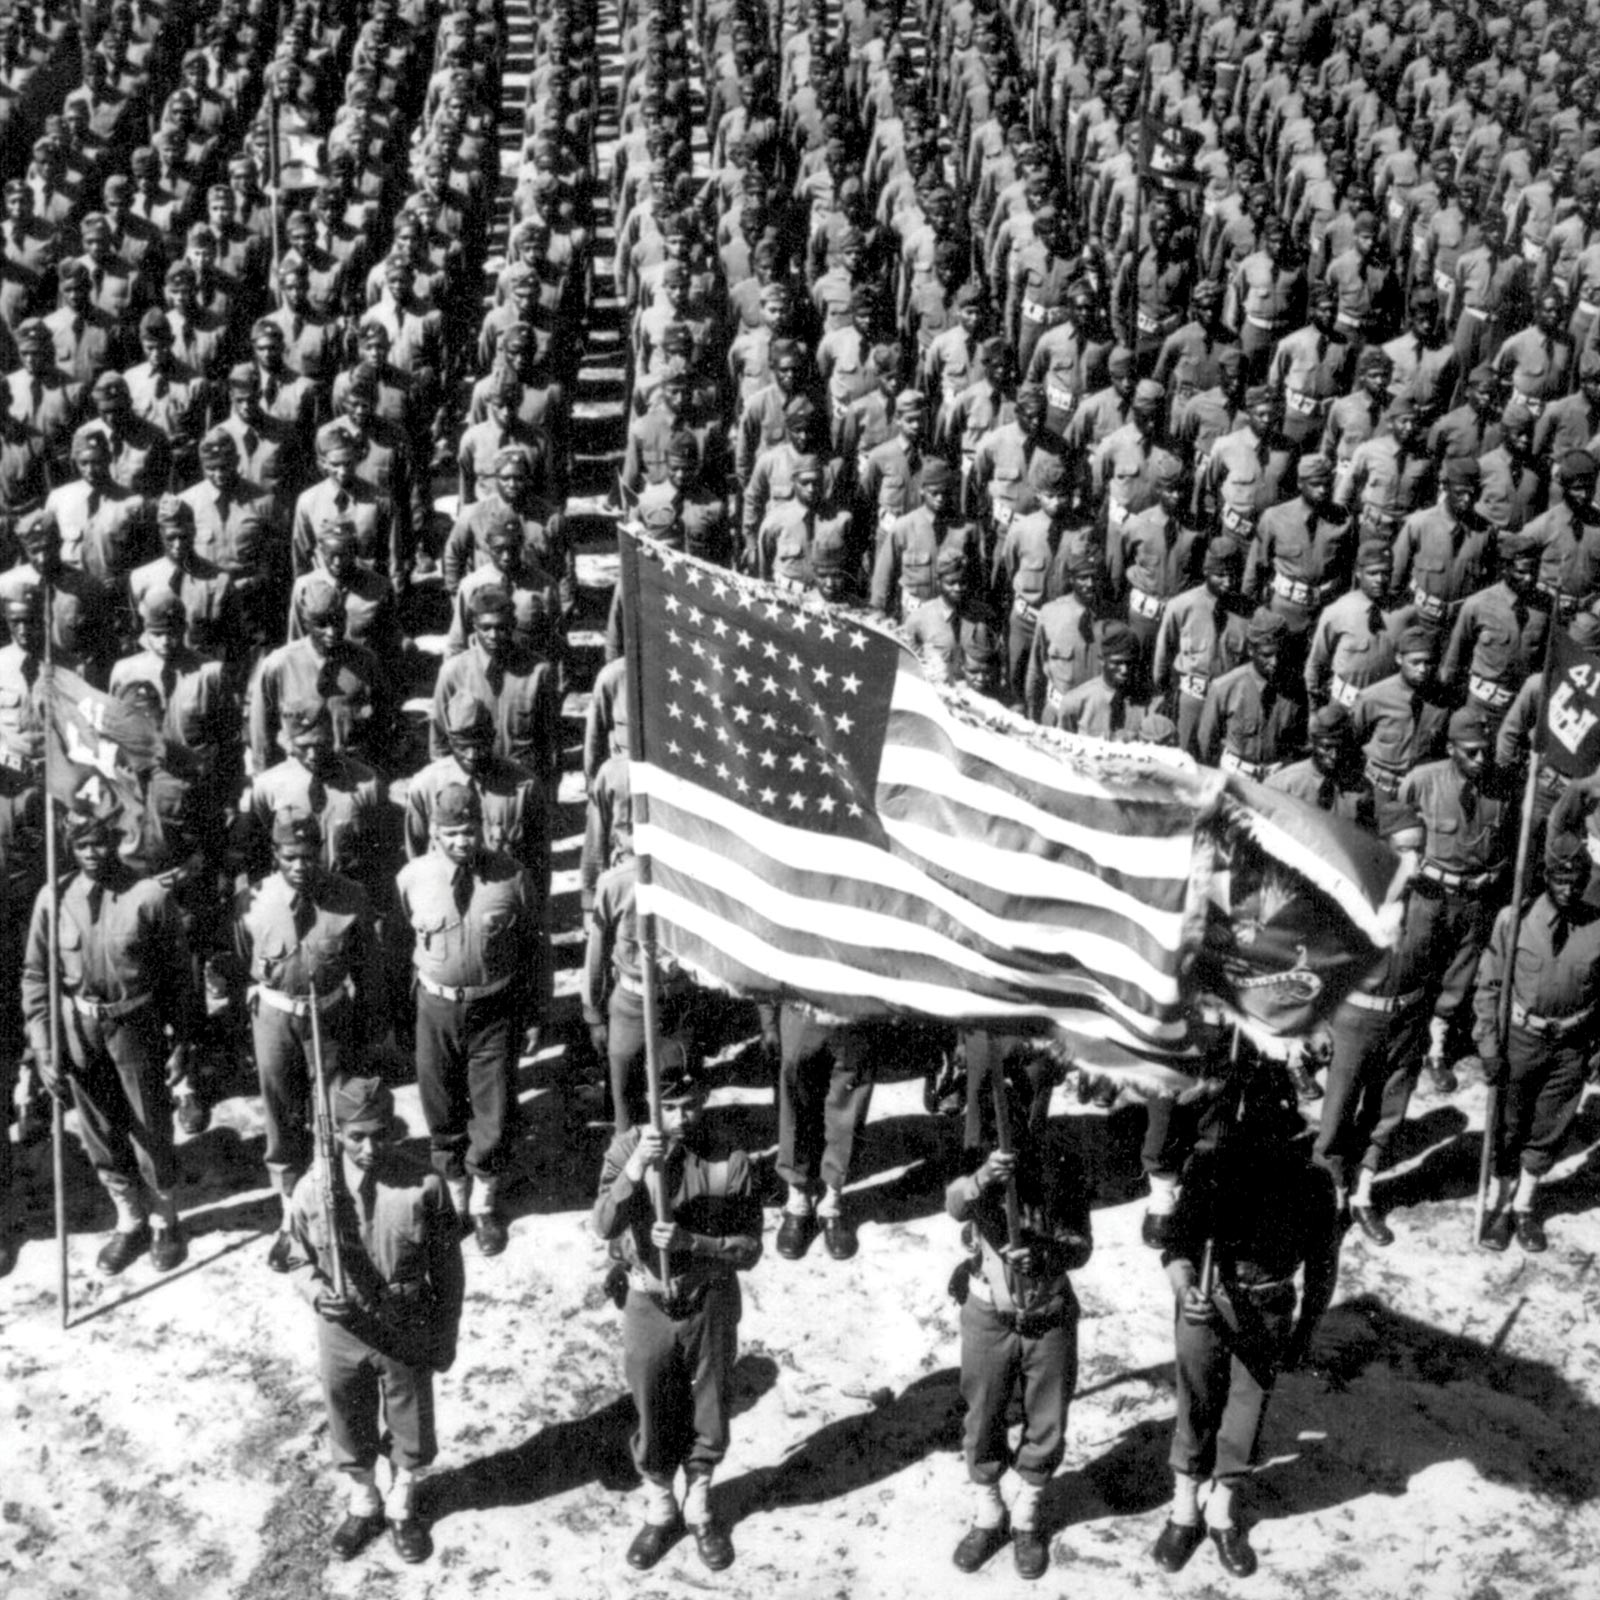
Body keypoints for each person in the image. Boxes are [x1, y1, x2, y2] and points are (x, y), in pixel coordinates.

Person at [1151, 1076, 1342, 1579]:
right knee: (1195, 1404)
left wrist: (1306, 1331)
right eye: (1255, 1130)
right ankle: (1184, 1509)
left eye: (1279, 1133)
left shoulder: (1314, 1184)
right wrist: (1184, 1288)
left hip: (1270, 1307)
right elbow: (1174, 1249)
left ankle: (1222, 1513)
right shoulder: (1211, 1171)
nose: (1268, 1145)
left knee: (1246, 1407)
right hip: (1208, 1306)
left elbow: (1324, 1265)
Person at [282, 1075, 465, 1565]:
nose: (369, 1146)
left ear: (396, 1129)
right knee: (347, 1415)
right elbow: (297, 1260)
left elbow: (448, 1271)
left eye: (381, 1133)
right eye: (355, 1135)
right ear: (335, 1133)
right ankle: (364, 1501)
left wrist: (445, 1336)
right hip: (342, 1327)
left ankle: (403, 1504)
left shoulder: (424, 1186)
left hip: (405, 1322)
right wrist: (320, 1298)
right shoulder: (312, 1189)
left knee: (412, 1419)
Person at [591, 1050, 762, 1573]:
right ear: (650, 1104)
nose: (682, 1116)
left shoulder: (728, 1159)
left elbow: (751, 1249)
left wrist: (697, 1242)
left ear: (704, 1099)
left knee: (711, 1402)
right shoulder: (625, 1150)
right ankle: (661, 1506)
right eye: (669, 1106)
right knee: (651, 1400)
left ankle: (701, 1506)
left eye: (690, 1104)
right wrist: (638, 1166)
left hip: (708, 1295)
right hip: (648, 1298)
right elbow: (602, 1223)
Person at [21, 792, 194, 1274]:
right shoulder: (53, 899)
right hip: (78, 1031)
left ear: (115, 841)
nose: (93, 853)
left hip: (135, 1027)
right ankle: (131, 1219)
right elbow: (36, 977)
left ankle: (165, 1221)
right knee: (98, 1131)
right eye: (82, 845)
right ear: (69, 847)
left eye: (100, 843)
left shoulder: (149, 897)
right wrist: (42, 1046)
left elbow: (180, 976)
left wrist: (182, 1039)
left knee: (151, 1130)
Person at [948, 1053, 1092, 1581]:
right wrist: (984, 1176)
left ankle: (1027, 1517)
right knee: (982, 1415)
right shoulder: (975, 1158)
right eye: (1015, 1106)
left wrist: (1048, 1254)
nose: (1027, 1115)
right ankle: (989, 1512)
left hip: (1048, 1314)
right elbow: (954, 1205)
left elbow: (1082, 1245)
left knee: (1047, 1418)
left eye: (1035, 1102)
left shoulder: (1064, 1161)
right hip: (990, 1314)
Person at [396, 783, 547, 1257]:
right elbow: (407, 946)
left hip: (494, 1010)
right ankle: (453, 1198)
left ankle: (483, 1205)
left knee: (494, 1109)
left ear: (484, 828)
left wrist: (535, 1013)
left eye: (470, 831)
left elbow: (534, 949)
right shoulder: (412, 878)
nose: (463, 841)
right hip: (436, 1007)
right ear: (435, 833)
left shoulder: (511, 878)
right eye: (452, 832)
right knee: (440, 1106)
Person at [231, 811, 385, 1270]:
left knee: (330, 1109)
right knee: (280, 1114)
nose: (300, 865)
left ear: (323, 851)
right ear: (275, 855)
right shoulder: (250, 903)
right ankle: (289, 1218)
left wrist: (372, 1028)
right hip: (276, 1017)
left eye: (309, 855)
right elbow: (243, 962)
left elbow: (369, 971)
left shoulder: (350, 898)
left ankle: (335, 1206)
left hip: (331, 1017)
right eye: (289, 857)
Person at [1474, 831, 1600, 1254]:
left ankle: (1525, 1206)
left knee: (1550, 1127)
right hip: (1520, 1040)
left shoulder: (1598, 926)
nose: (1569, 889)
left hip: (1571, 1045)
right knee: (1509, 1127)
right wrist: (1488, 1045)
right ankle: (1499, 1206)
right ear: (1547, 876)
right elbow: (1489, 984)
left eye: (1577, 880)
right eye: (1561, 879)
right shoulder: (1515, 918)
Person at [772, 1009, 876, 1263]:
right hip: (801, 1007)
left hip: (855, 1013)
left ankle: (830, 1202)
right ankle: (797, 1199)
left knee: (849, 1104)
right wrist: (767, 1021)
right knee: (796, 1105)